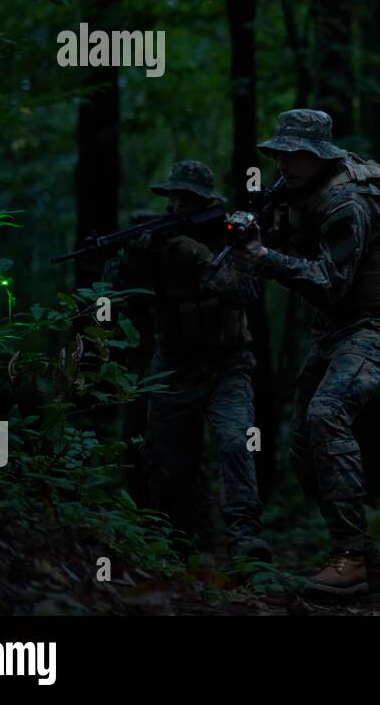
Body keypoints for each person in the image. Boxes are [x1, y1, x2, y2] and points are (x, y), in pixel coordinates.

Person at [231, 109, 380, 600]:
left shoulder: (348, 201)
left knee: (327, 414)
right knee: (302, 446)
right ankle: (364, 559)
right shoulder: (292, 189)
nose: (285, 162)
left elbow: (331, 283)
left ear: (319, 156)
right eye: (280, 153)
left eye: (296, 154)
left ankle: (351, 556)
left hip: (379, 321)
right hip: (337, 327)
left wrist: (265, 260)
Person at [105, 160, 270, 562]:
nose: (180, 205)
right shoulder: (154, 238)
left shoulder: (230, 236)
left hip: (228, 364)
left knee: (235, 443)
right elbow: (112, 291)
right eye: (175, 197)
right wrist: (134, 259)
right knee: (170, 463)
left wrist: (199, 257)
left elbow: (247, 293)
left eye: (190, 199)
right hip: (174, 364)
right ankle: (181, 546)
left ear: (206, 201)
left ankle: (245, 540)